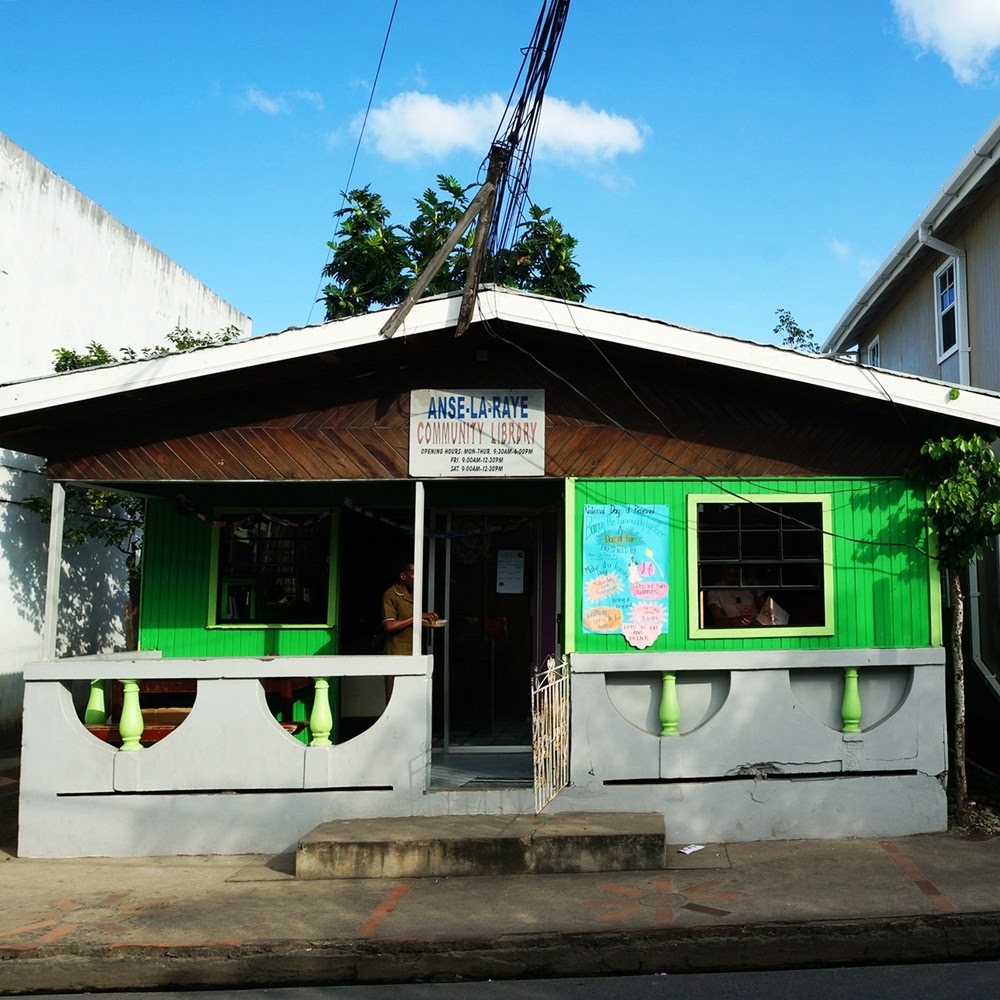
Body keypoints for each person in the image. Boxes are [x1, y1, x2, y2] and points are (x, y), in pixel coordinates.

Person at [381, 562, 438, 700]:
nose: (417, 579)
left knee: (411, 699)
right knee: (395, 697)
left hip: (414, 652)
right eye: (413, 574)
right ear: (403, 576)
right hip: (397, 654)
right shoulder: (391, 595)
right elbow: (389, 626)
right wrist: (417, 616)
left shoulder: (414, 595)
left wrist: (427, 618)